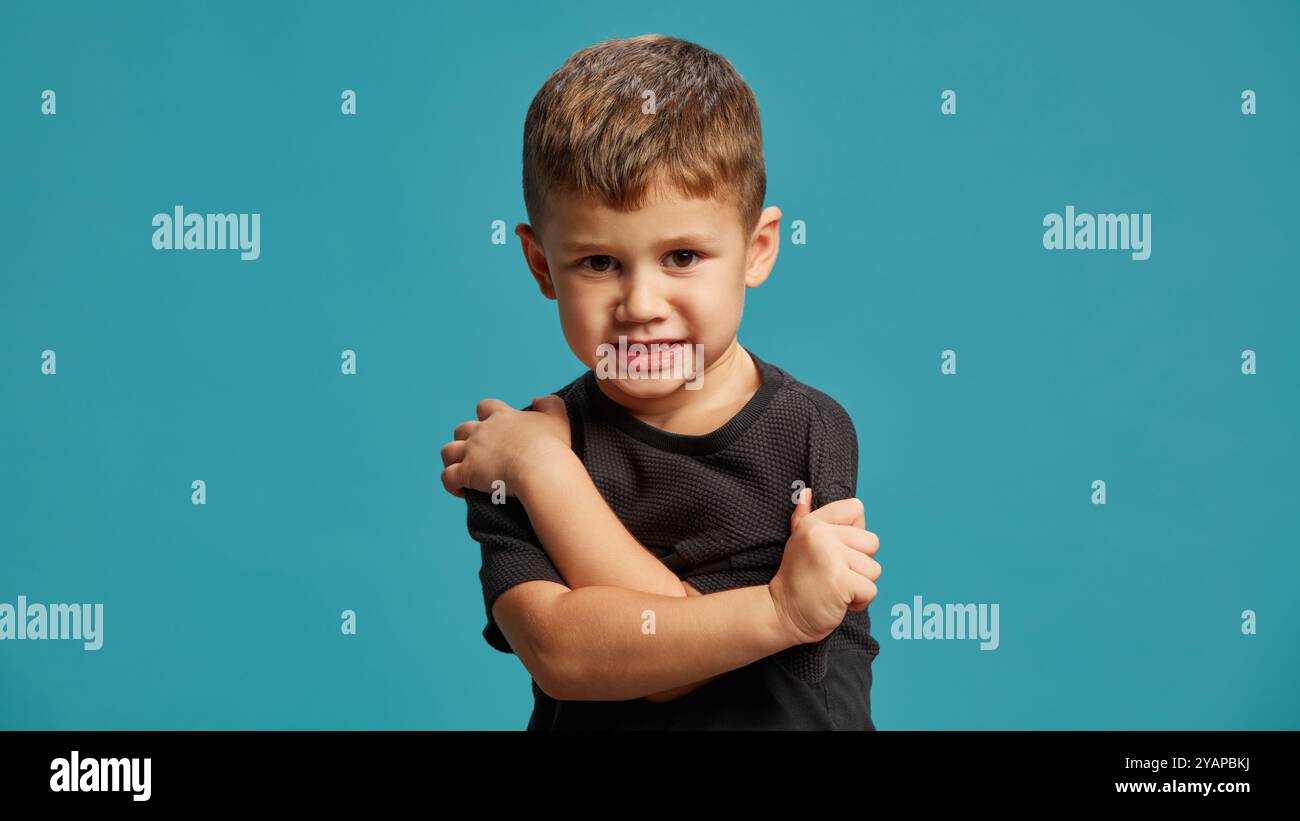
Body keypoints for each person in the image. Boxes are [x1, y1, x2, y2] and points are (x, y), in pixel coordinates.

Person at [439, 34, 882, 730]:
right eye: (597, 263)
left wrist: (547, 474)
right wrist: (535, 462)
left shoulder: (804, 433)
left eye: (681, 255)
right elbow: (564, 651)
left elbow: (674, 661)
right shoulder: (511, 455)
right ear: (540, 265)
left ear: (756, 249)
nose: (641, 303)